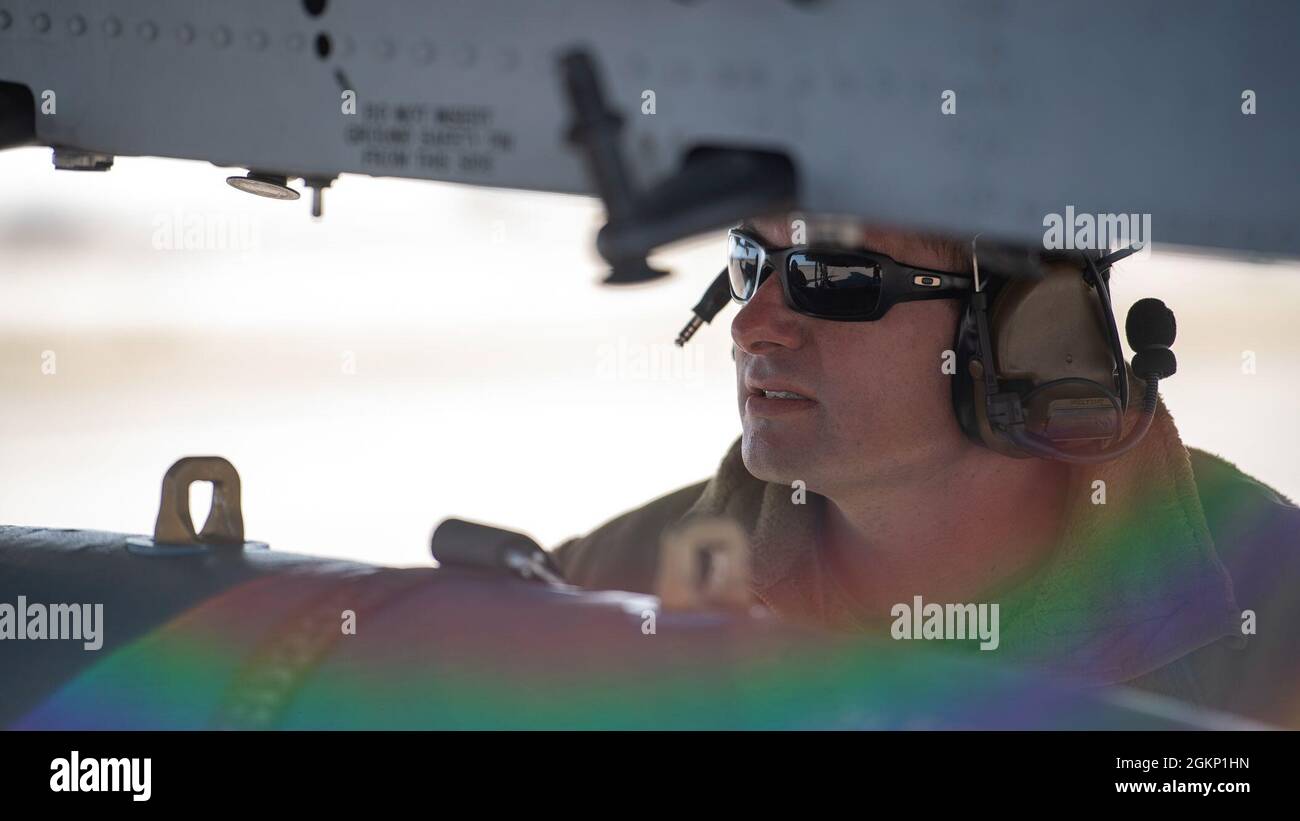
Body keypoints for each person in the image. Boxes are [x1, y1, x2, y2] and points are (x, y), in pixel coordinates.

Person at [553, 213, 1300, 728]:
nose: (752, 325)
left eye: (833, 276)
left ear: (1030, 326)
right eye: (750, 264)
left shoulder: (1274, 610)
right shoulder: (601, 591)